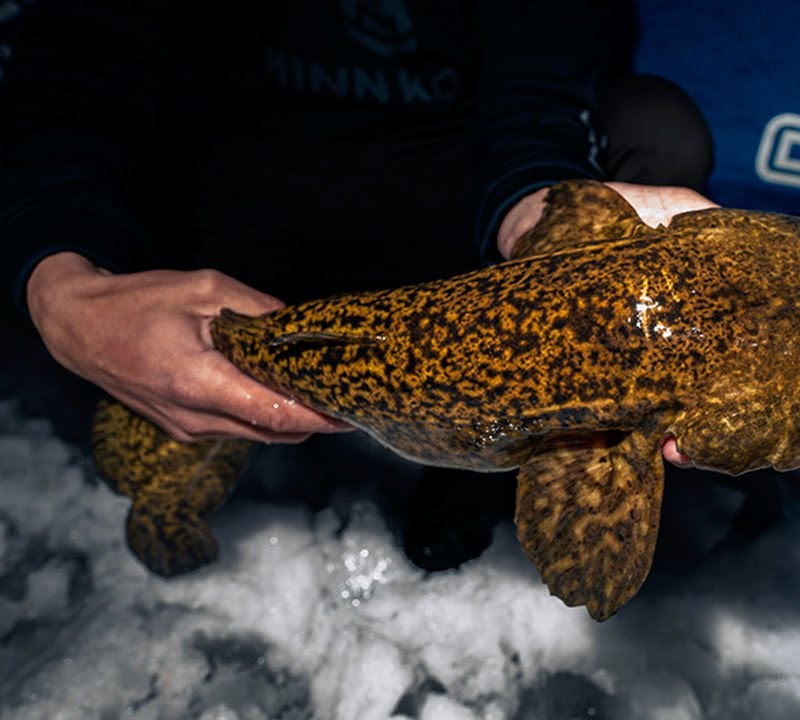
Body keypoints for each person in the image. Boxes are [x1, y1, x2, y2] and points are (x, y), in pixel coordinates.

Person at [0, 0, 711, 466]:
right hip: (224, 185)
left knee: (653, 130)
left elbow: (539, 102)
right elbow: (76, 81)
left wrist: (542, 214)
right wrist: (62, 290)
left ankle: (500, 460)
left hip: (443, 187)